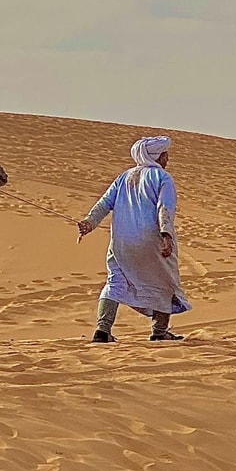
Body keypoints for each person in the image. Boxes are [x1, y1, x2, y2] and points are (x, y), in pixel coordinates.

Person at [78, 136, 190, 342]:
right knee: (164, 282)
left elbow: (104, 203)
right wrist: (166, 235)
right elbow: (164, 208)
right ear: (156, 157)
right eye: (164, 155)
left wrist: (89, 223)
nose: (167, 159)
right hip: (151, 239)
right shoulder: (162, 177)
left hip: (122, 243)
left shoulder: (124, 177)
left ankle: (102, 330)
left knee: (115, 281)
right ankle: (159, 332)